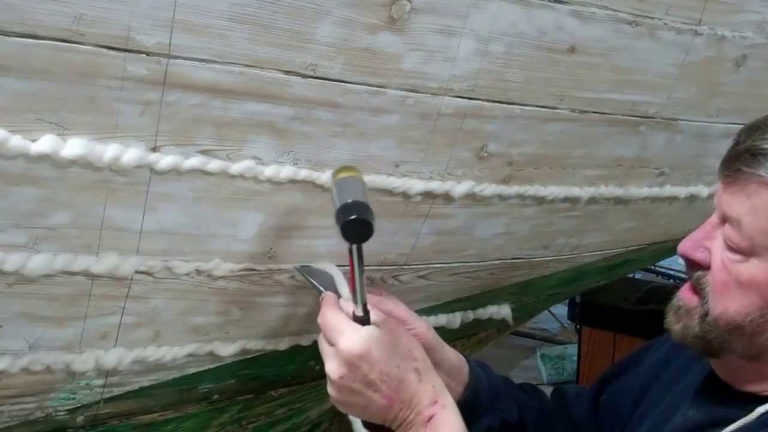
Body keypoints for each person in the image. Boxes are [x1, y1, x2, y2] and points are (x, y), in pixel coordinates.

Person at [316, 114, 768, 431]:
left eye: (732, 243)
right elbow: (575, 427)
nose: (687, 247)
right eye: (713, 217)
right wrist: (453, 379)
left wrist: (420, 414)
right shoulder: (703, 349)